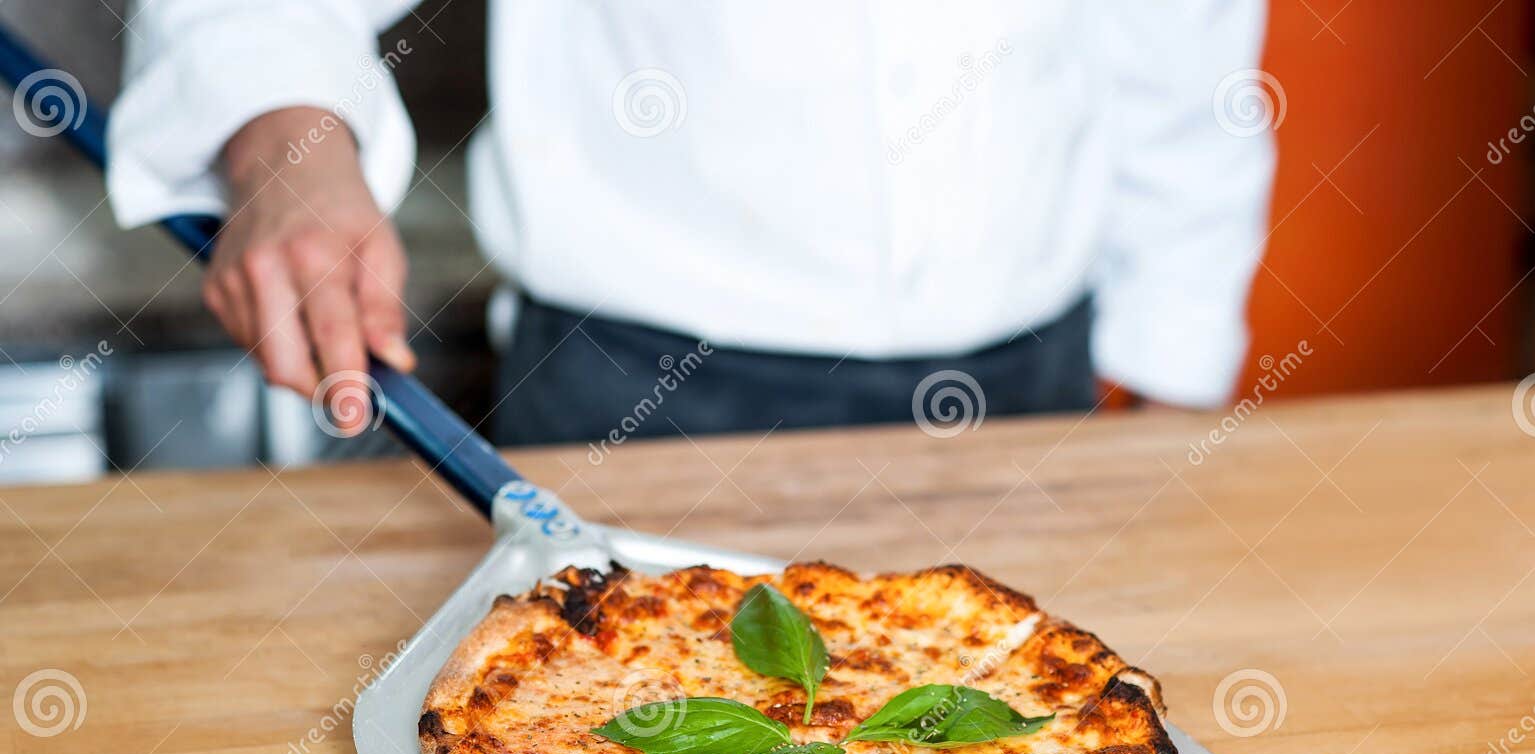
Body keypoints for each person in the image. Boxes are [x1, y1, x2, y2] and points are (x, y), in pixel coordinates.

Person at [107, 1, 1274, 445]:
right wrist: (286, 149)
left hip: (1036, 405)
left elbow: (1181, 51)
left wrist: (1173, 394)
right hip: (644, 408)